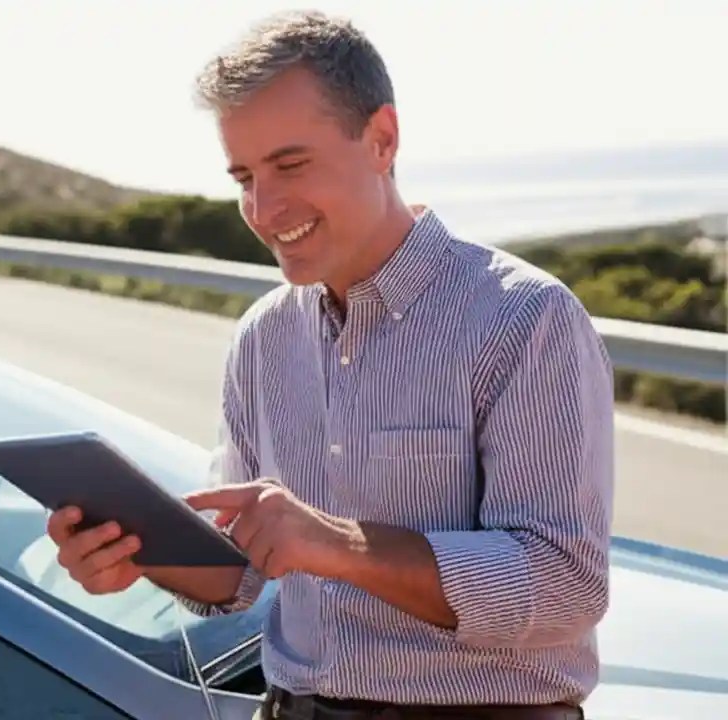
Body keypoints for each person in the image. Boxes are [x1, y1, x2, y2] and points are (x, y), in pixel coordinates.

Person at [45, 9, 615, 720]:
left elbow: (564, 587)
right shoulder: (262, 337)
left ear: (382, 139)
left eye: (290, 164)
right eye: (244, 175)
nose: (263, 206)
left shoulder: (525, 319)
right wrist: (132, 553)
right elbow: (241, 574)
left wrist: (338, 545)